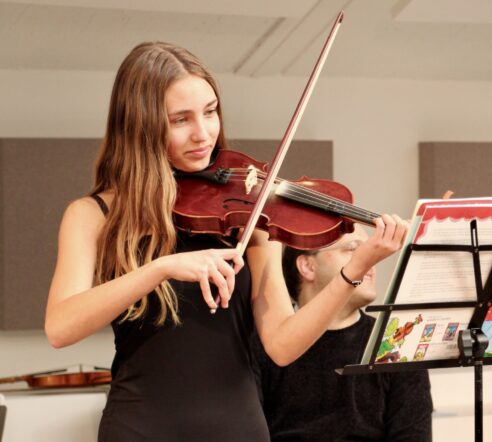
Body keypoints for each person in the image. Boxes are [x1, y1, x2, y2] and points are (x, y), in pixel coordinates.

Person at [44, 41, 408, 441]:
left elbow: (282, 345)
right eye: (180, 119)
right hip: (140, 429)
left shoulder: (250, 213)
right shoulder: (93, 215)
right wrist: (160, 268)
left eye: (210, 111)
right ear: (141, 125)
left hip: (237, 430)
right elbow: (60, 328)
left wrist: (353, 269)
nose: (203, 133)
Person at [251, 226, 433, 441]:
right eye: (352, 249)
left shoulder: (396, 342)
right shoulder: (263, 344)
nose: (370, 263)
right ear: (307, 266)